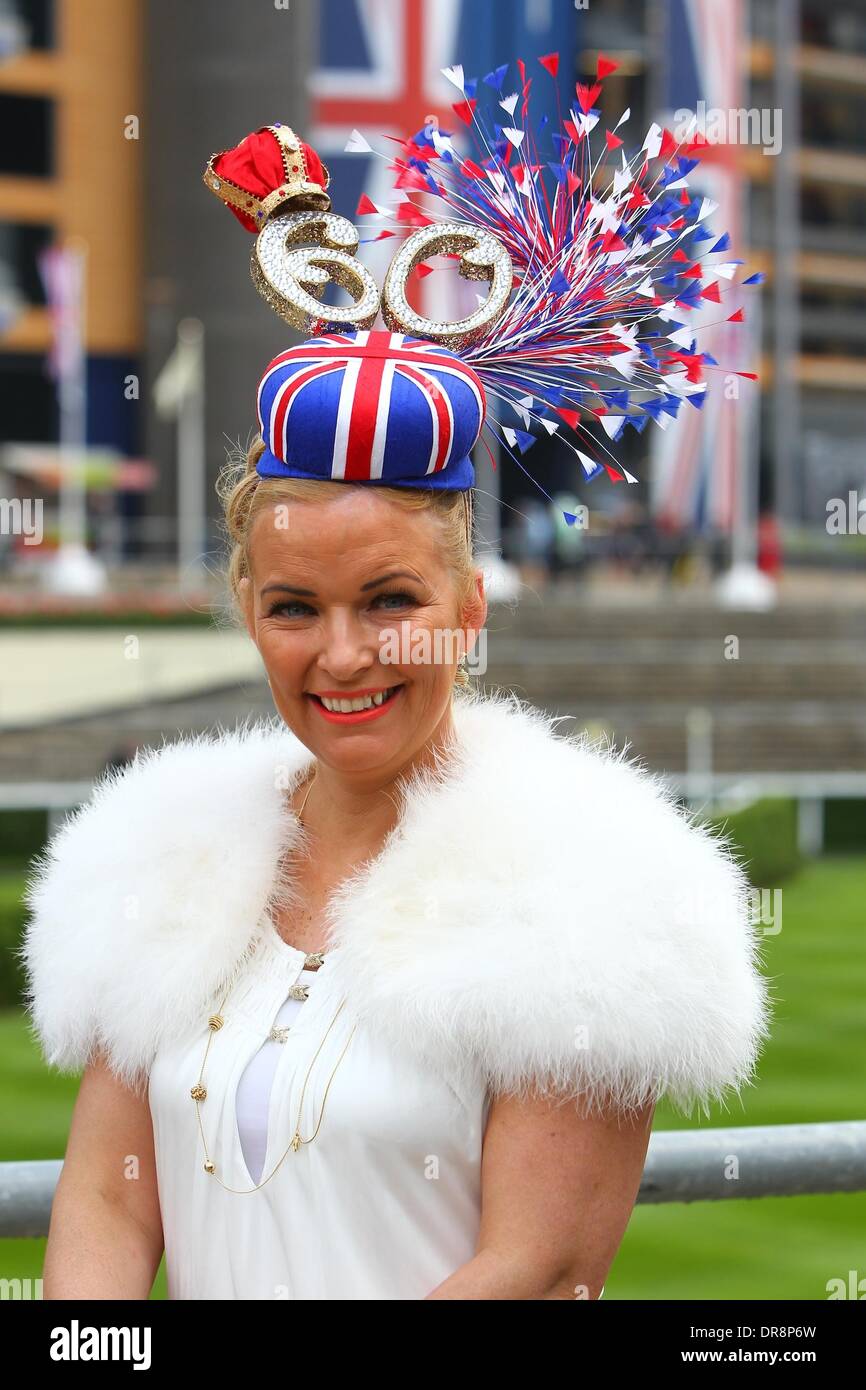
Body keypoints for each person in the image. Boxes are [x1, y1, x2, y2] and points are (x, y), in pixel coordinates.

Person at [18, 112, 772, 1302]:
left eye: (389, 599)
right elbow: (108, 1202)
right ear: (244, 607)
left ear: (469, 609)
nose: (343, 654)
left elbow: (537, 1267)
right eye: (292, 607)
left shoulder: (595, 886)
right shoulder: (156, 854)